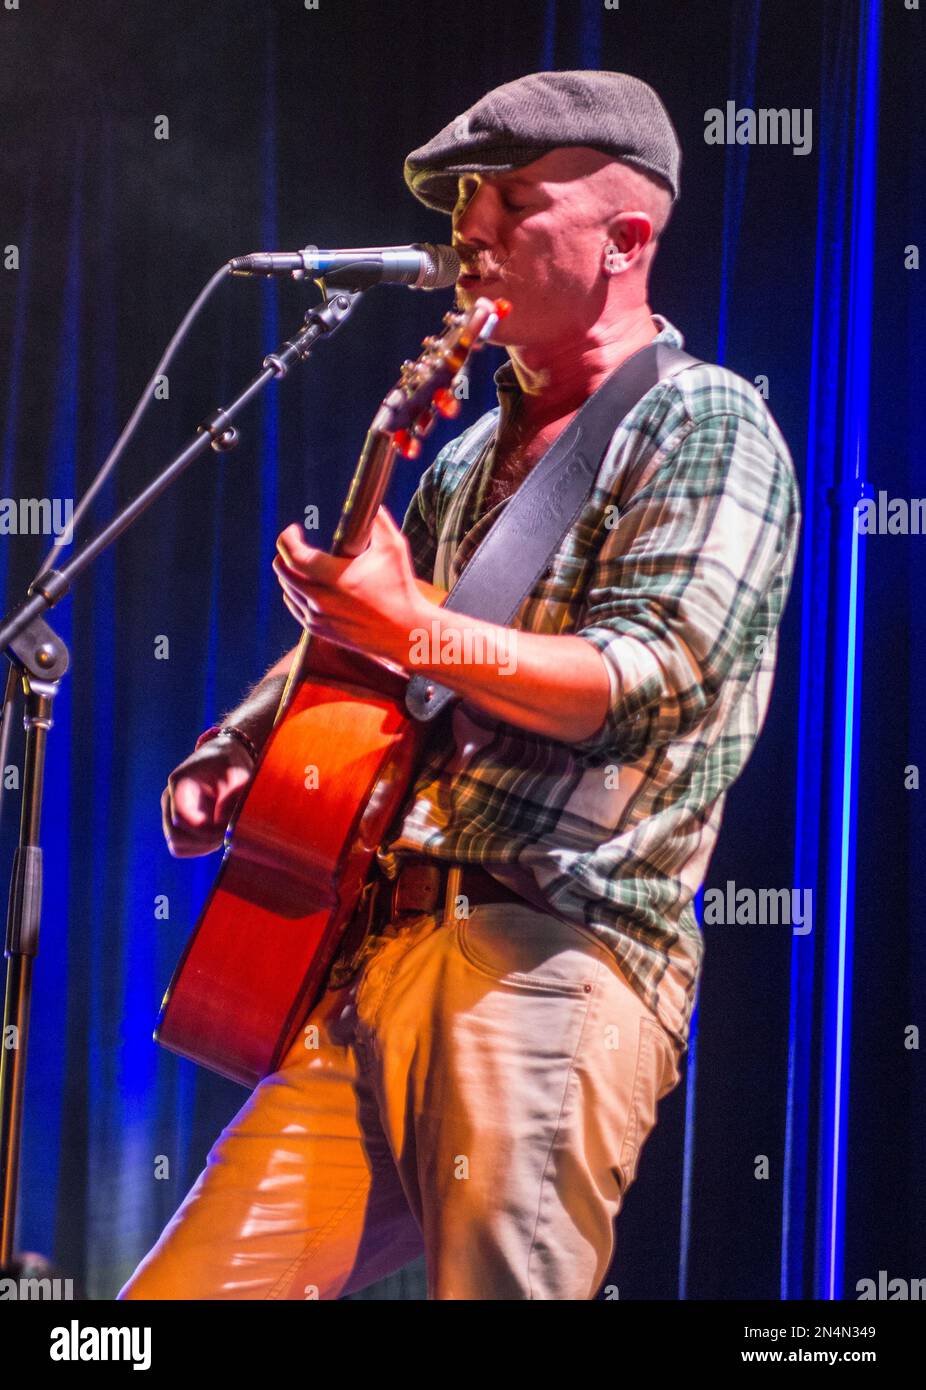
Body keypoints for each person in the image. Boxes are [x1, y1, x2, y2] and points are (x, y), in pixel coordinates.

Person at [118, 70, 801, 1301]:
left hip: (551, 958)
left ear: (623, 241)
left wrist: (416, 630)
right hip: (368, 965)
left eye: (506, 201)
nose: (466, 230)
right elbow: (375, 646)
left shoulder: (705, 422)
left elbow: (646, 679)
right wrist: (239, 744)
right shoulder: (472, 453)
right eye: (459, 204)